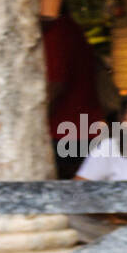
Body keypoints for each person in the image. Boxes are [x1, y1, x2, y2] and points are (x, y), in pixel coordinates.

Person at [43, 10, 105, 179]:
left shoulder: (56, 31)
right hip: (83, 129)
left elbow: (55, 86)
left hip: (67, 133)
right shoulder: (68, 27)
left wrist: (34, 123)